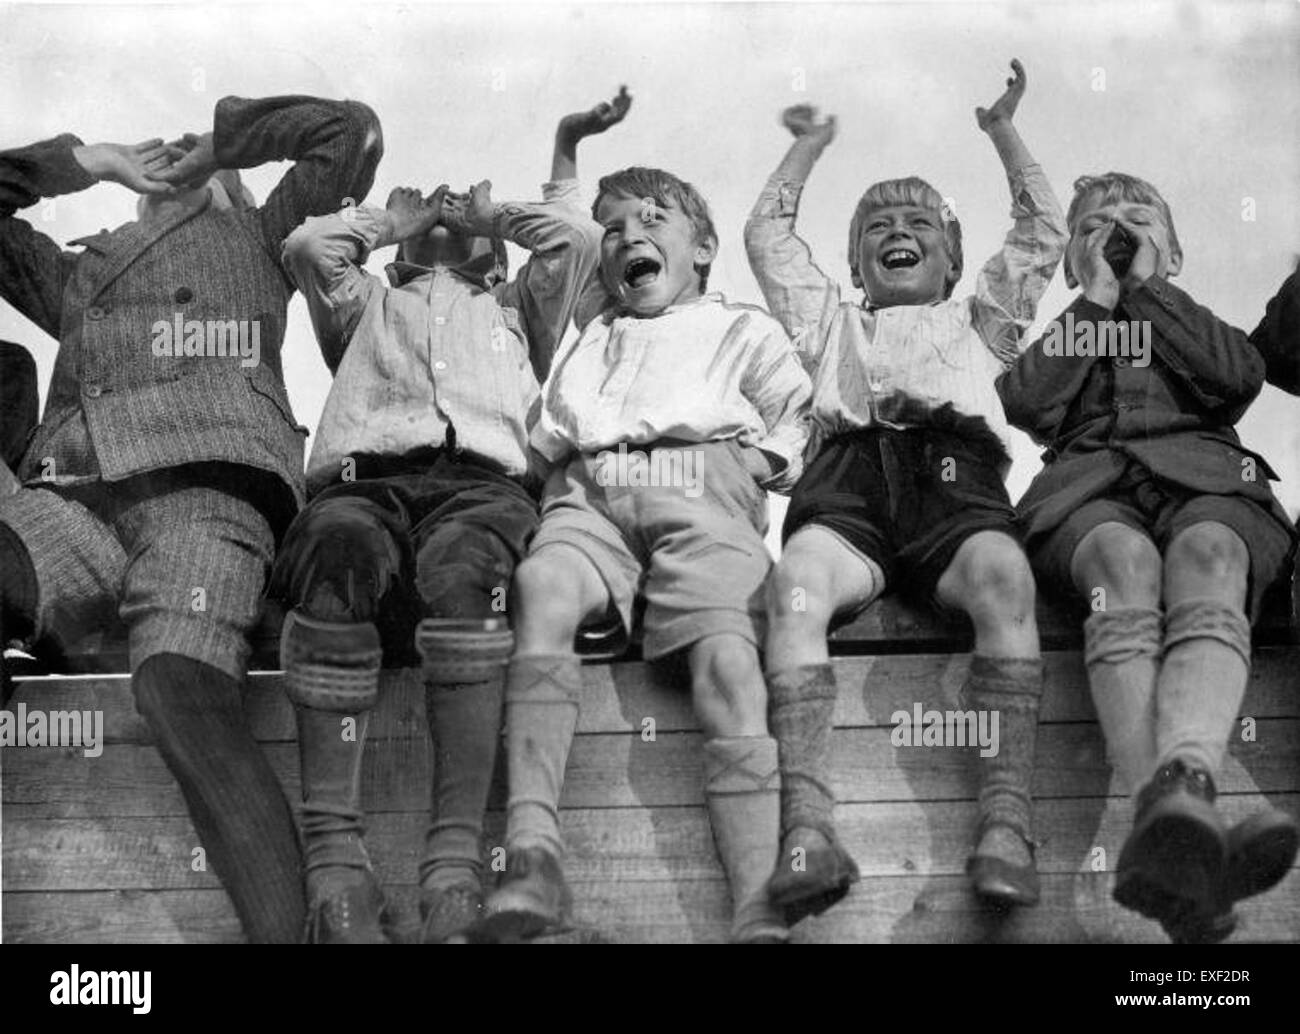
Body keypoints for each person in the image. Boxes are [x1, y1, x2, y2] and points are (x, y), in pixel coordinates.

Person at [0, 94, 382, 942]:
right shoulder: (82, 275)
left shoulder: (259, 238)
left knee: (179, 686)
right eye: (160, 162)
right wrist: (85, 160)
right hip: (72, 509)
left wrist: (221, 144)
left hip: (204, 504)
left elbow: (346, 132)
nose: (173, 159)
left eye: (200, 165)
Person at [272, 92, 623, 942]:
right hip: (365, 483)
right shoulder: (365, 305)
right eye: (433, 212)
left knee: (472, 572)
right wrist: (390, 222)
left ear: (498, 257)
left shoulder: (514, 308)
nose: (443, 216)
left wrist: (492, 214)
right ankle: (334, 861)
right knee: (333, 550)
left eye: (459, 218)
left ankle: (453, 865)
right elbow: (305, 245)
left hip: (480, 486)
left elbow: (574, 240)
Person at [744, 60, 1067, 921]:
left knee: (1004, 577)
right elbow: (768, 245)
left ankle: (1006, 825)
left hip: (953, 476)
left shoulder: (982, 322)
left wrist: (1002, 133)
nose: (899, 230)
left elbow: (1043, 235)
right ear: (856, 261)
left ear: (951, 259)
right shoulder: (830, 326)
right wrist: (807, 152)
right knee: (796, 586)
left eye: (919, 221)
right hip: (847, 474)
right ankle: (806, 825)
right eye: (879, 225)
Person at [477, 165, 812, 944]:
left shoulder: (741, 326)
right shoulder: (595, 326)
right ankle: (533, 852)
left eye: (656, 219)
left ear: (703, 249)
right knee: (541, 587)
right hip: (592, 487)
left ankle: (759, 899)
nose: (633, 235)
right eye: (618, 227)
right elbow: (575, 230)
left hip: (701, 485)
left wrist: (756, 465)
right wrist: (560, 162)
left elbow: (794, 413)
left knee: (728, 659)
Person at [996, 172, 1300, 942]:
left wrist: (1146, 292)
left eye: (1139, 218)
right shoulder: (1077, 316)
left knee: (1208, 553)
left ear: (1175, 250)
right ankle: (1187, 805)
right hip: (1087, 490)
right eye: (1095, 224)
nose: (1119, 227)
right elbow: (1029, 403)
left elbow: (1238, 377)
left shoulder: (1188, 315)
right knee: (1119, 567)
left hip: (1206, 480)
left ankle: (1172, 829)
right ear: (1070, 259)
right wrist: (1097, 296)